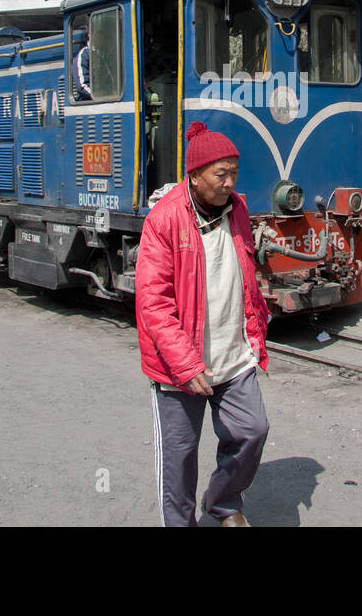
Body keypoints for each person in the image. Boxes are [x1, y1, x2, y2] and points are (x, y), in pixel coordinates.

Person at [136, 121, 271, 527]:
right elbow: (153, 303)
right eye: (220, 174)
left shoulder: (239, 209)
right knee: (179, 460)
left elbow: (244, 272)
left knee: (252, 430)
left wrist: (255, 327)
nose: (229, 182)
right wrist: (186, 364)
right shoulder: (163, 220)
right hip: (180, 366)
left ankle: (225, 502)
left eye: (234, 172)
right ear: (194, 176)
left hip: (233, 357)